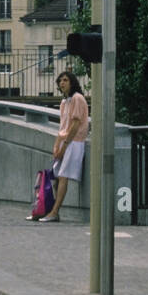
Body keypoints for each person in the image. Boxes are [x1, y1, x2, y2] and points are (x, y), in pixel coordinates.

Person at [35, 70, 89, 222]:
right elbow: (62, 127)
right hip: (65, 141)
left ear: (72, 82)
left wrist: (64, 146)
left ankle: (54, 212)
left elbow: (76, 124)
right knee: (57, 176)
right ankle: (51, 211)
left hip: (75, 142)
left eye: (65, 80)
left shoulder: (78, 98)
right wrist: (56, 146)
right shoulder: (64, 102)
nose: (62, 83)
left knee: (63, 176)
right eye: (60, 81)